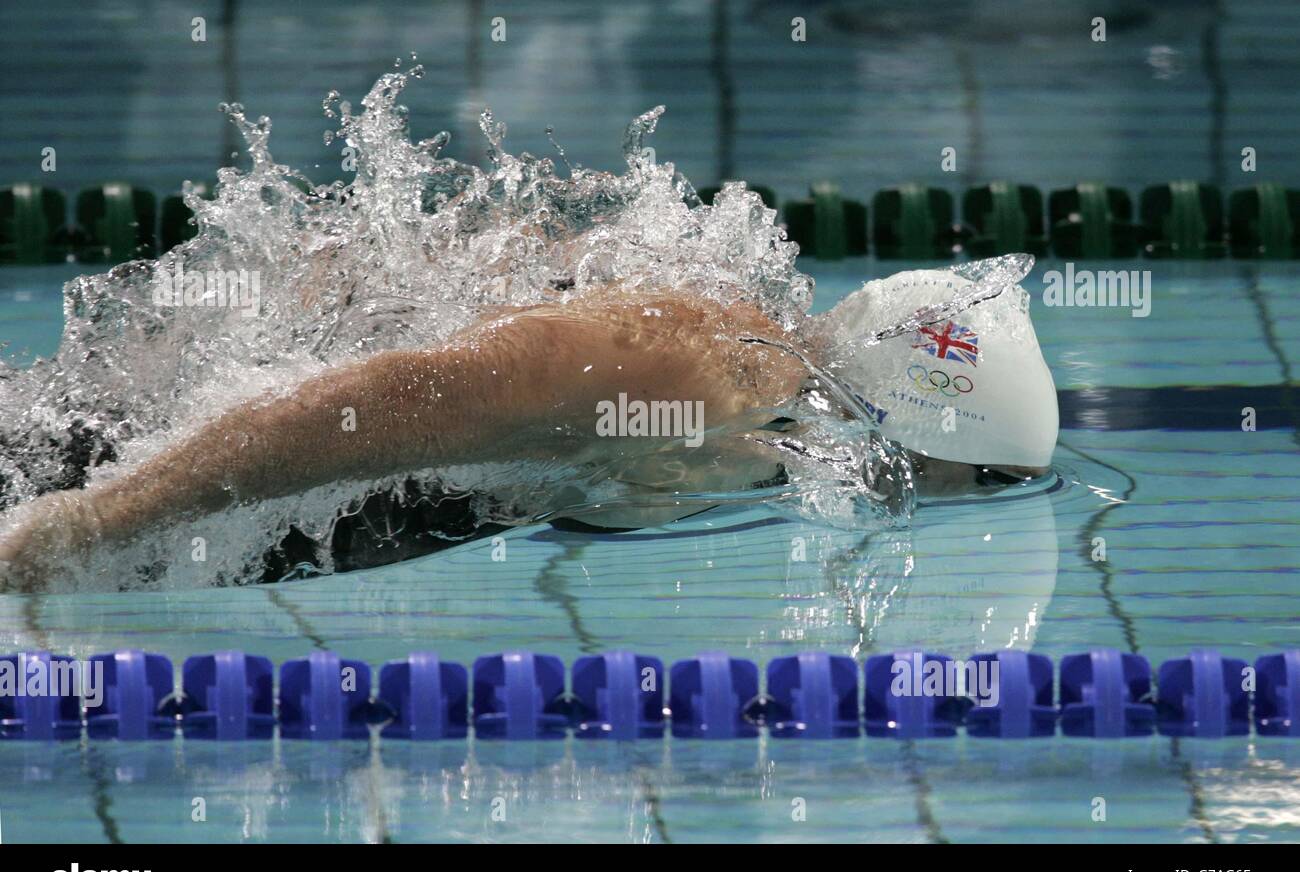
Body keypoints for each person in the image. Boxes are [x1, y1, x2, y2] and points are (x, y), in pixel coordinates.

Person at [0, 261, 1058, 591]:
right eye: (928, 477)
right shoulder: (688, 372)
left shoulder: (765, 411)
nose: (904, 497)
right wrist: (94, 520)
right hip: (107, 455)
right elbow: (372, 405)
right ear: (894, 418)